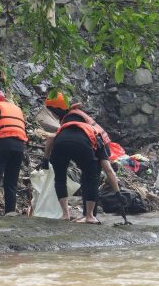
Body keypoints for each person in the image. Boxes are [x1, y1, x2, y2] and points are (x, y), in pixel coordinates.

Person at [43, 92, 122, 221]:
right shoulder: (97, 136)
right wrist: (117, 191)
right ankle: (90, 216)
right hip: (84, 144)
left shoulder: (67, 124)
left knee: (60, 177)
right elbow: (108, 170)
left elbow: (51, 138)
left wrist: (45, 159)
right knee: (91, 178)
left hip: (61, 142)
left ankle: (65, 215)